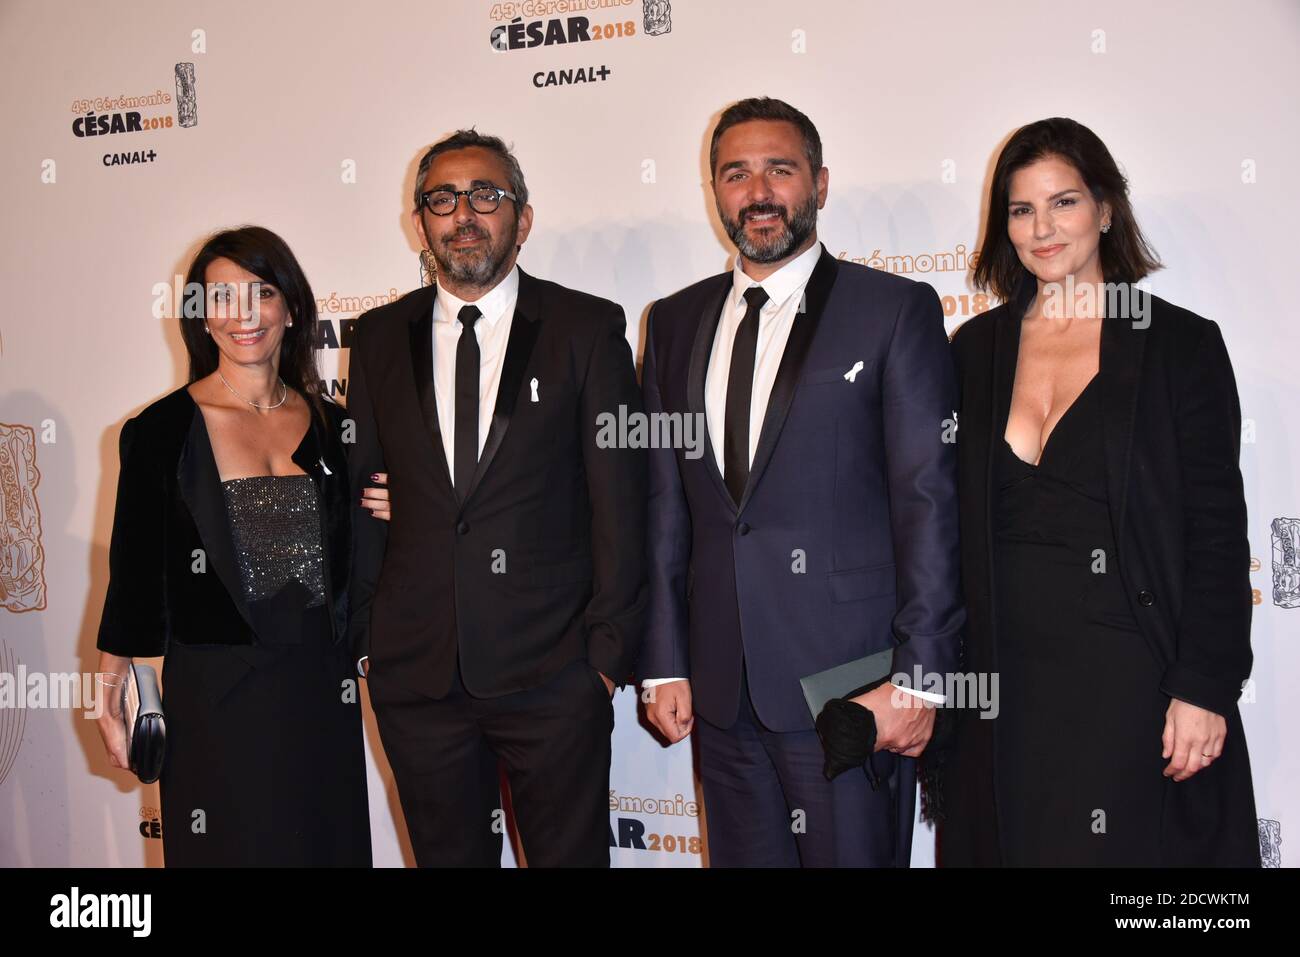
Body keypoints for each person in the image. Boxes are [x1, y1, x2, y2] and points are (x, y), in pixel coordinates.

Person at [638, 98, 963, 866]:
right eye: (736, 173)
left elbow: (929, 499)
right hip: (720, 689)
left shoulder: (891, 309)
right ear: (714, 190)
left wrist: (921, 676)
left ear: (819, 182)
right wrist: (664, 658)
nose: (758, 191)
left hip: (850, 684)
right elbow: (663, 505)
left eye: (779, 169)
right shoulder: (674, 321)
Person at [941, 117, 1260, 866]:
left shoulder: (1180, 345)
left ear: (1107, 210)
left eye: (1065, 202)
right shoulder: (974, 351)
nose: (1042, 228)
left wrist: (1205, 684)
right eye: (1021, 209)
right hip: (1002, 687)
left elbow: (1216, 529)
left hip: (1131, 680)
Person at [346, 130, 647, 867]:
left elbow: (623, 503)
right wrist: (366, 642)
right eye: (442, 200)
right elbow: (361, 496)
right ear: (419, 222)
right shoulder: (380, 337)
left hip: (553, 674)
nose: (464, 215)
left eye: (486, 194)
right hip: (418, 678)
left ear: (524, 216)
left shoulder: (586, 326)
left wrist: (602, 661)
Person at [95, 226, 376, 866]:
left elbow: (367, 551)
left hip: (319, 693)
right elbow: (135, 575)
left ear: (292, 307)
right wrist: (109, 688)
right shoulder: (162, 430)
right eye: (222, 298)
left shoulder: (336, 426)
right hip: (216, 700)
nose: (243, 316)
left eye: (263, 294)